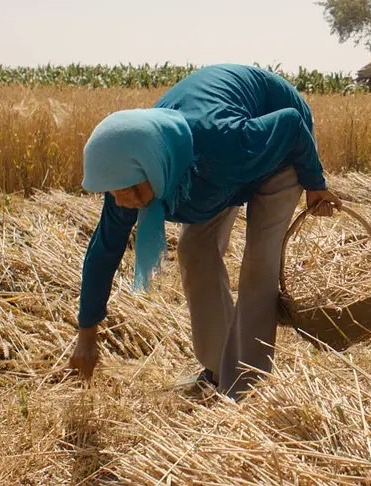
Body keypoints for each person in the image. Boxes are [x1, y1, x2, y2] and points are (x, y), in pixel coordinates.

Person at [69, 64, 342, 400]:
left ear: (151, 165)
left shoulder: (223, 143)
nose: (122, 200)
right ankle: (218, 370)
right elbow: (104, 252)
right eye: (113, 191)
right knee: (194, 251)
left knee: (259, 263)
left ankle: (247, 385)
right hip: (213, 171)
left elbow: (291, 124)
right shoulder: (132, 173)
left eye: (127, 189)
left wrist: (315, 184)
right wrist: (86, 336)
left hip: (279, 148)